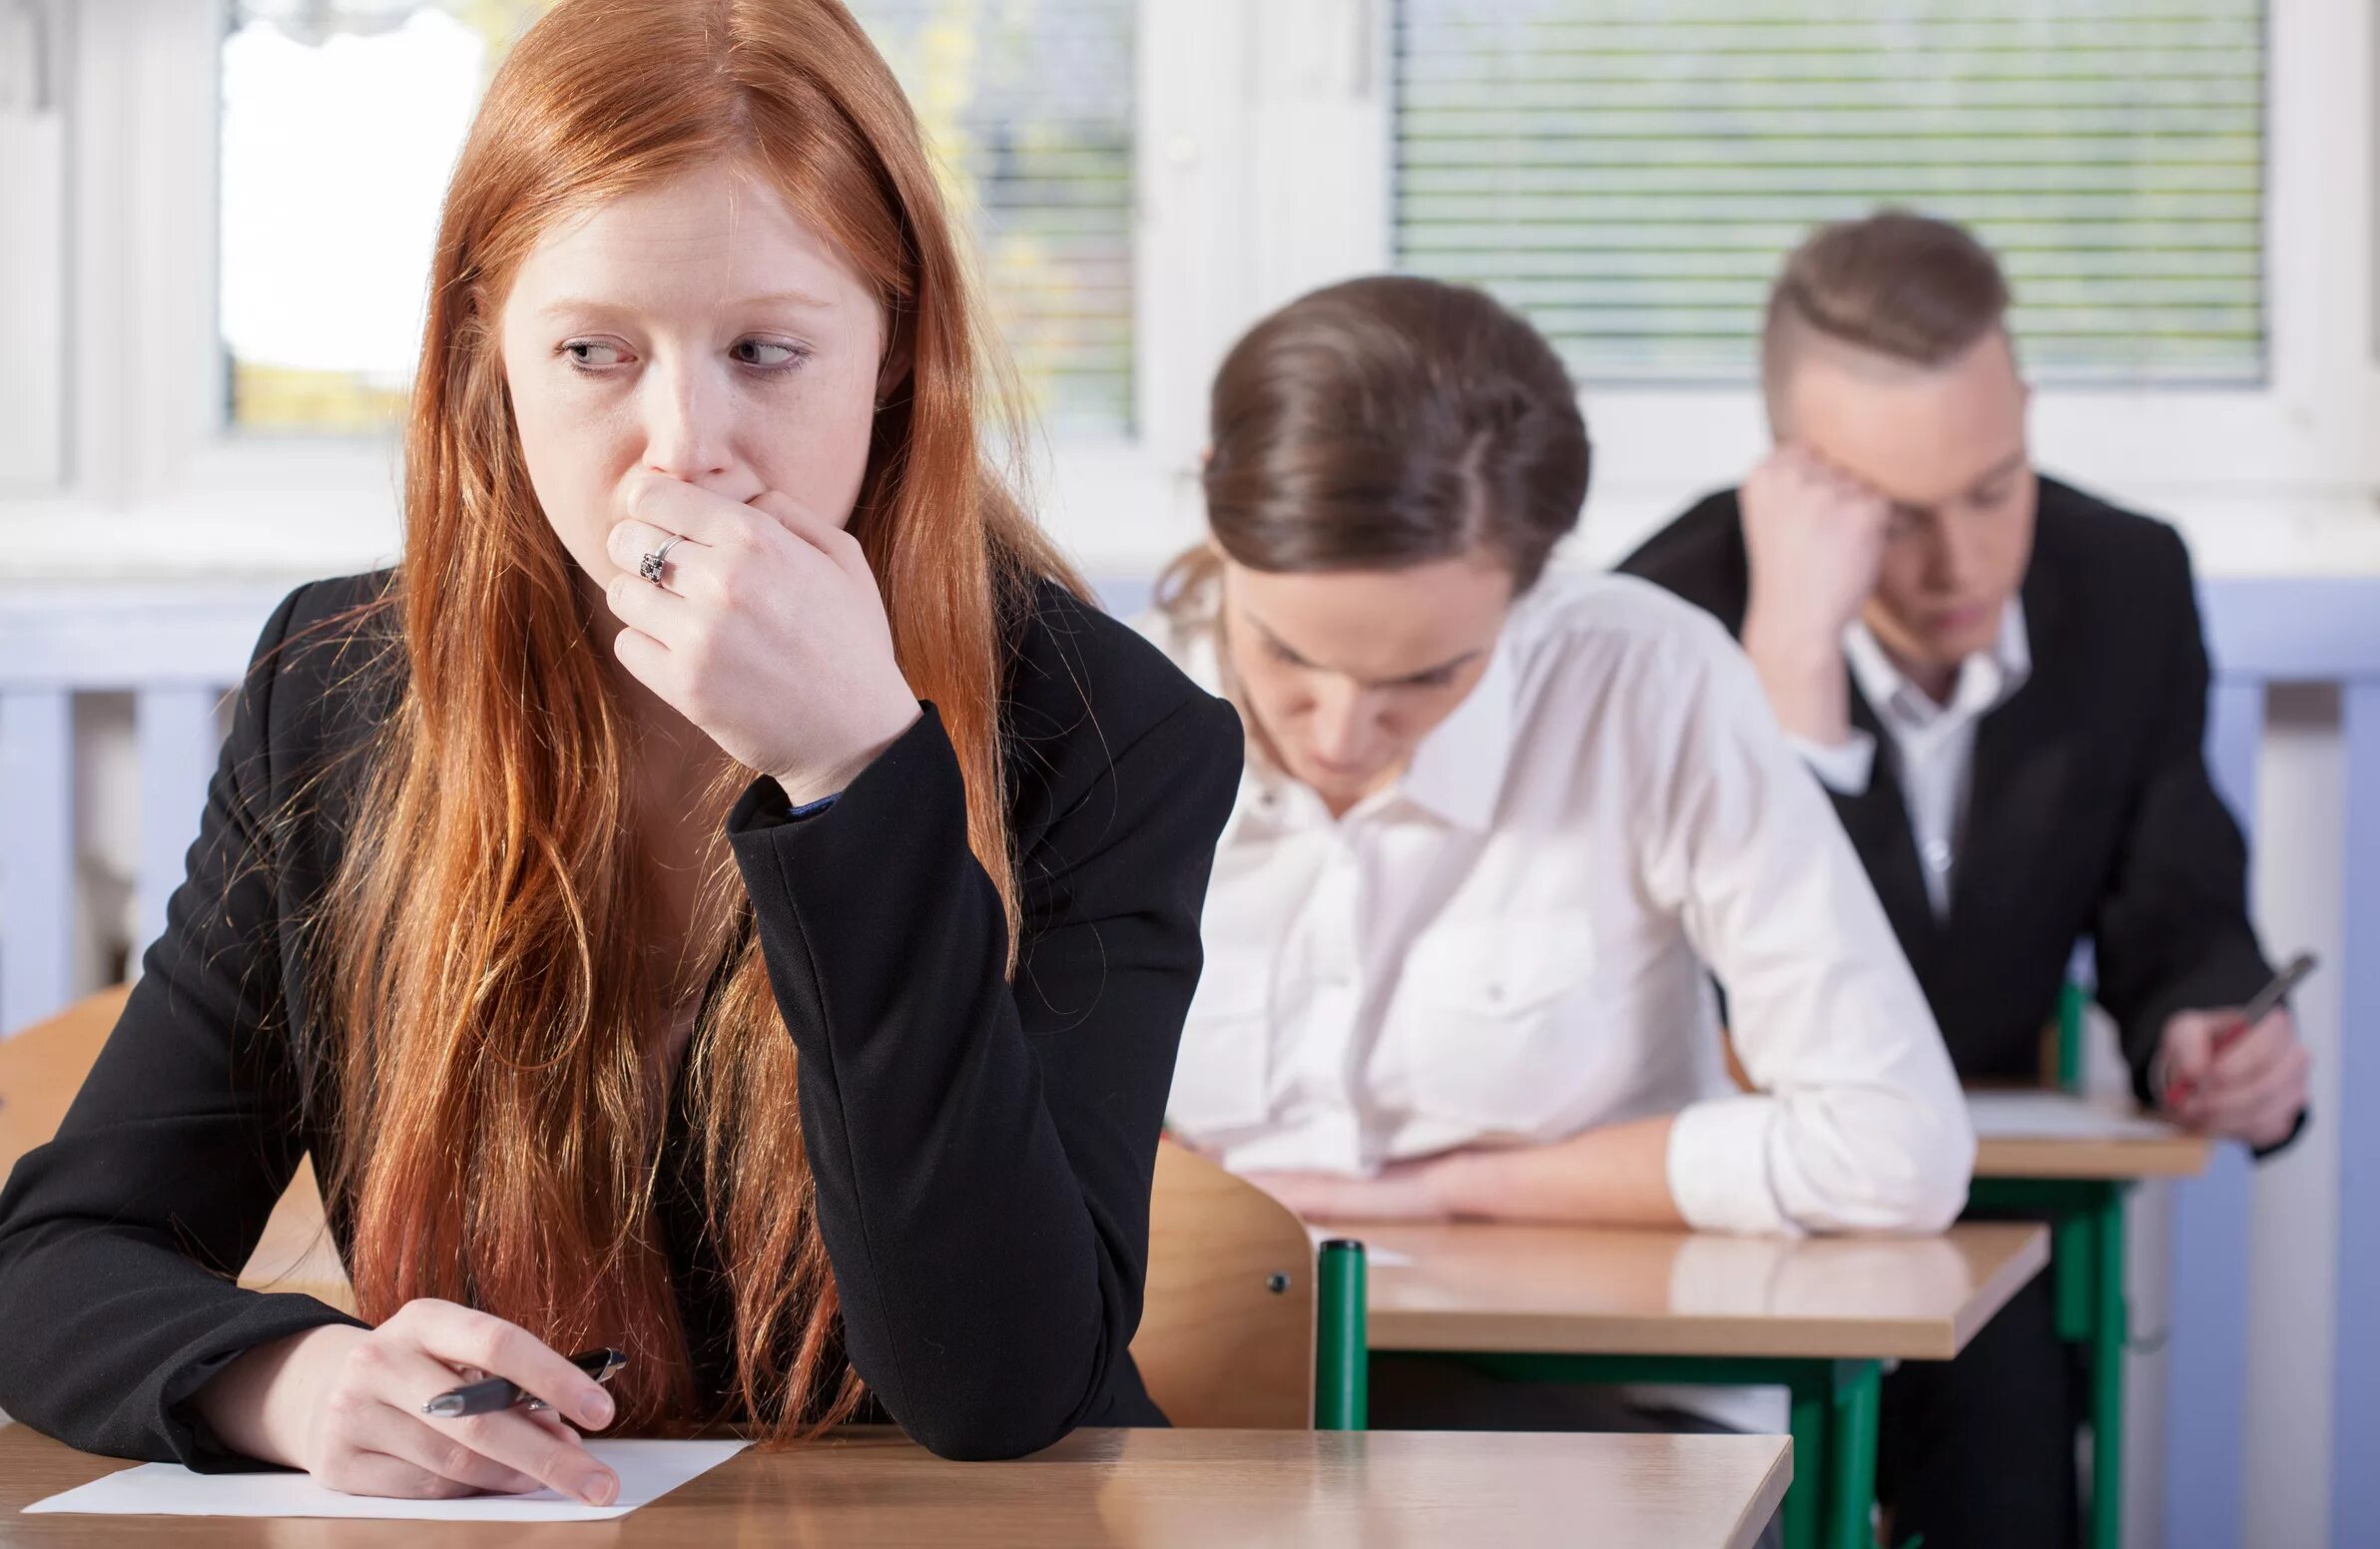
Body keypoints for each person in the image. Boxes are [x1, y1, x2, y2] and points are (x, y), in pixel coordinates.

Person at [0, 0, 1239, 1500]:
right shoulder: (333, 694)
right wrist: (299, 1376)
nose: (682, 447)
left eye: (768, 352)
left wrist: (858, 777)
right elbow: (60, 1261)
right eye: (594, 350)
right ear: (489, 355)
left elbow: (997, 1391)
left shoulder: (1107, 734)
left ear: (897, 349)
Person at [1134, 274, 1972, 1458]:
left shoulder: (1646, 684)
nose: (1334, 733)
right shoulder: (1098, 707)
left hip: (1599, 1411)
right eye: (1283, 652)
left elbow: (1893, 1149)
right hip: (1197, 1400)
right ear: (1220, 524)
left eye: (1426, 677)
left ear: (1529, 586)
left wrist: (1447, 1188)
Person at [1620, 210, 2312, 1549]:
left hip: (1970, 1215)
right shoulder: (1667, 618)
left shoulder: (2126, 581)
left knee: (2005, 1453)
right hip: (1721, 1214)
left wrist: (2213, 1022)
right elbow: (1715, 1011)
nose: (1957, 567)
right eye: (1893, 515)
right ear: (1793, 482)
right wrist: (1794, 675)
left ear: (2028, 419)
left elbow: (2174, 899)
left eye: (1995, 489)